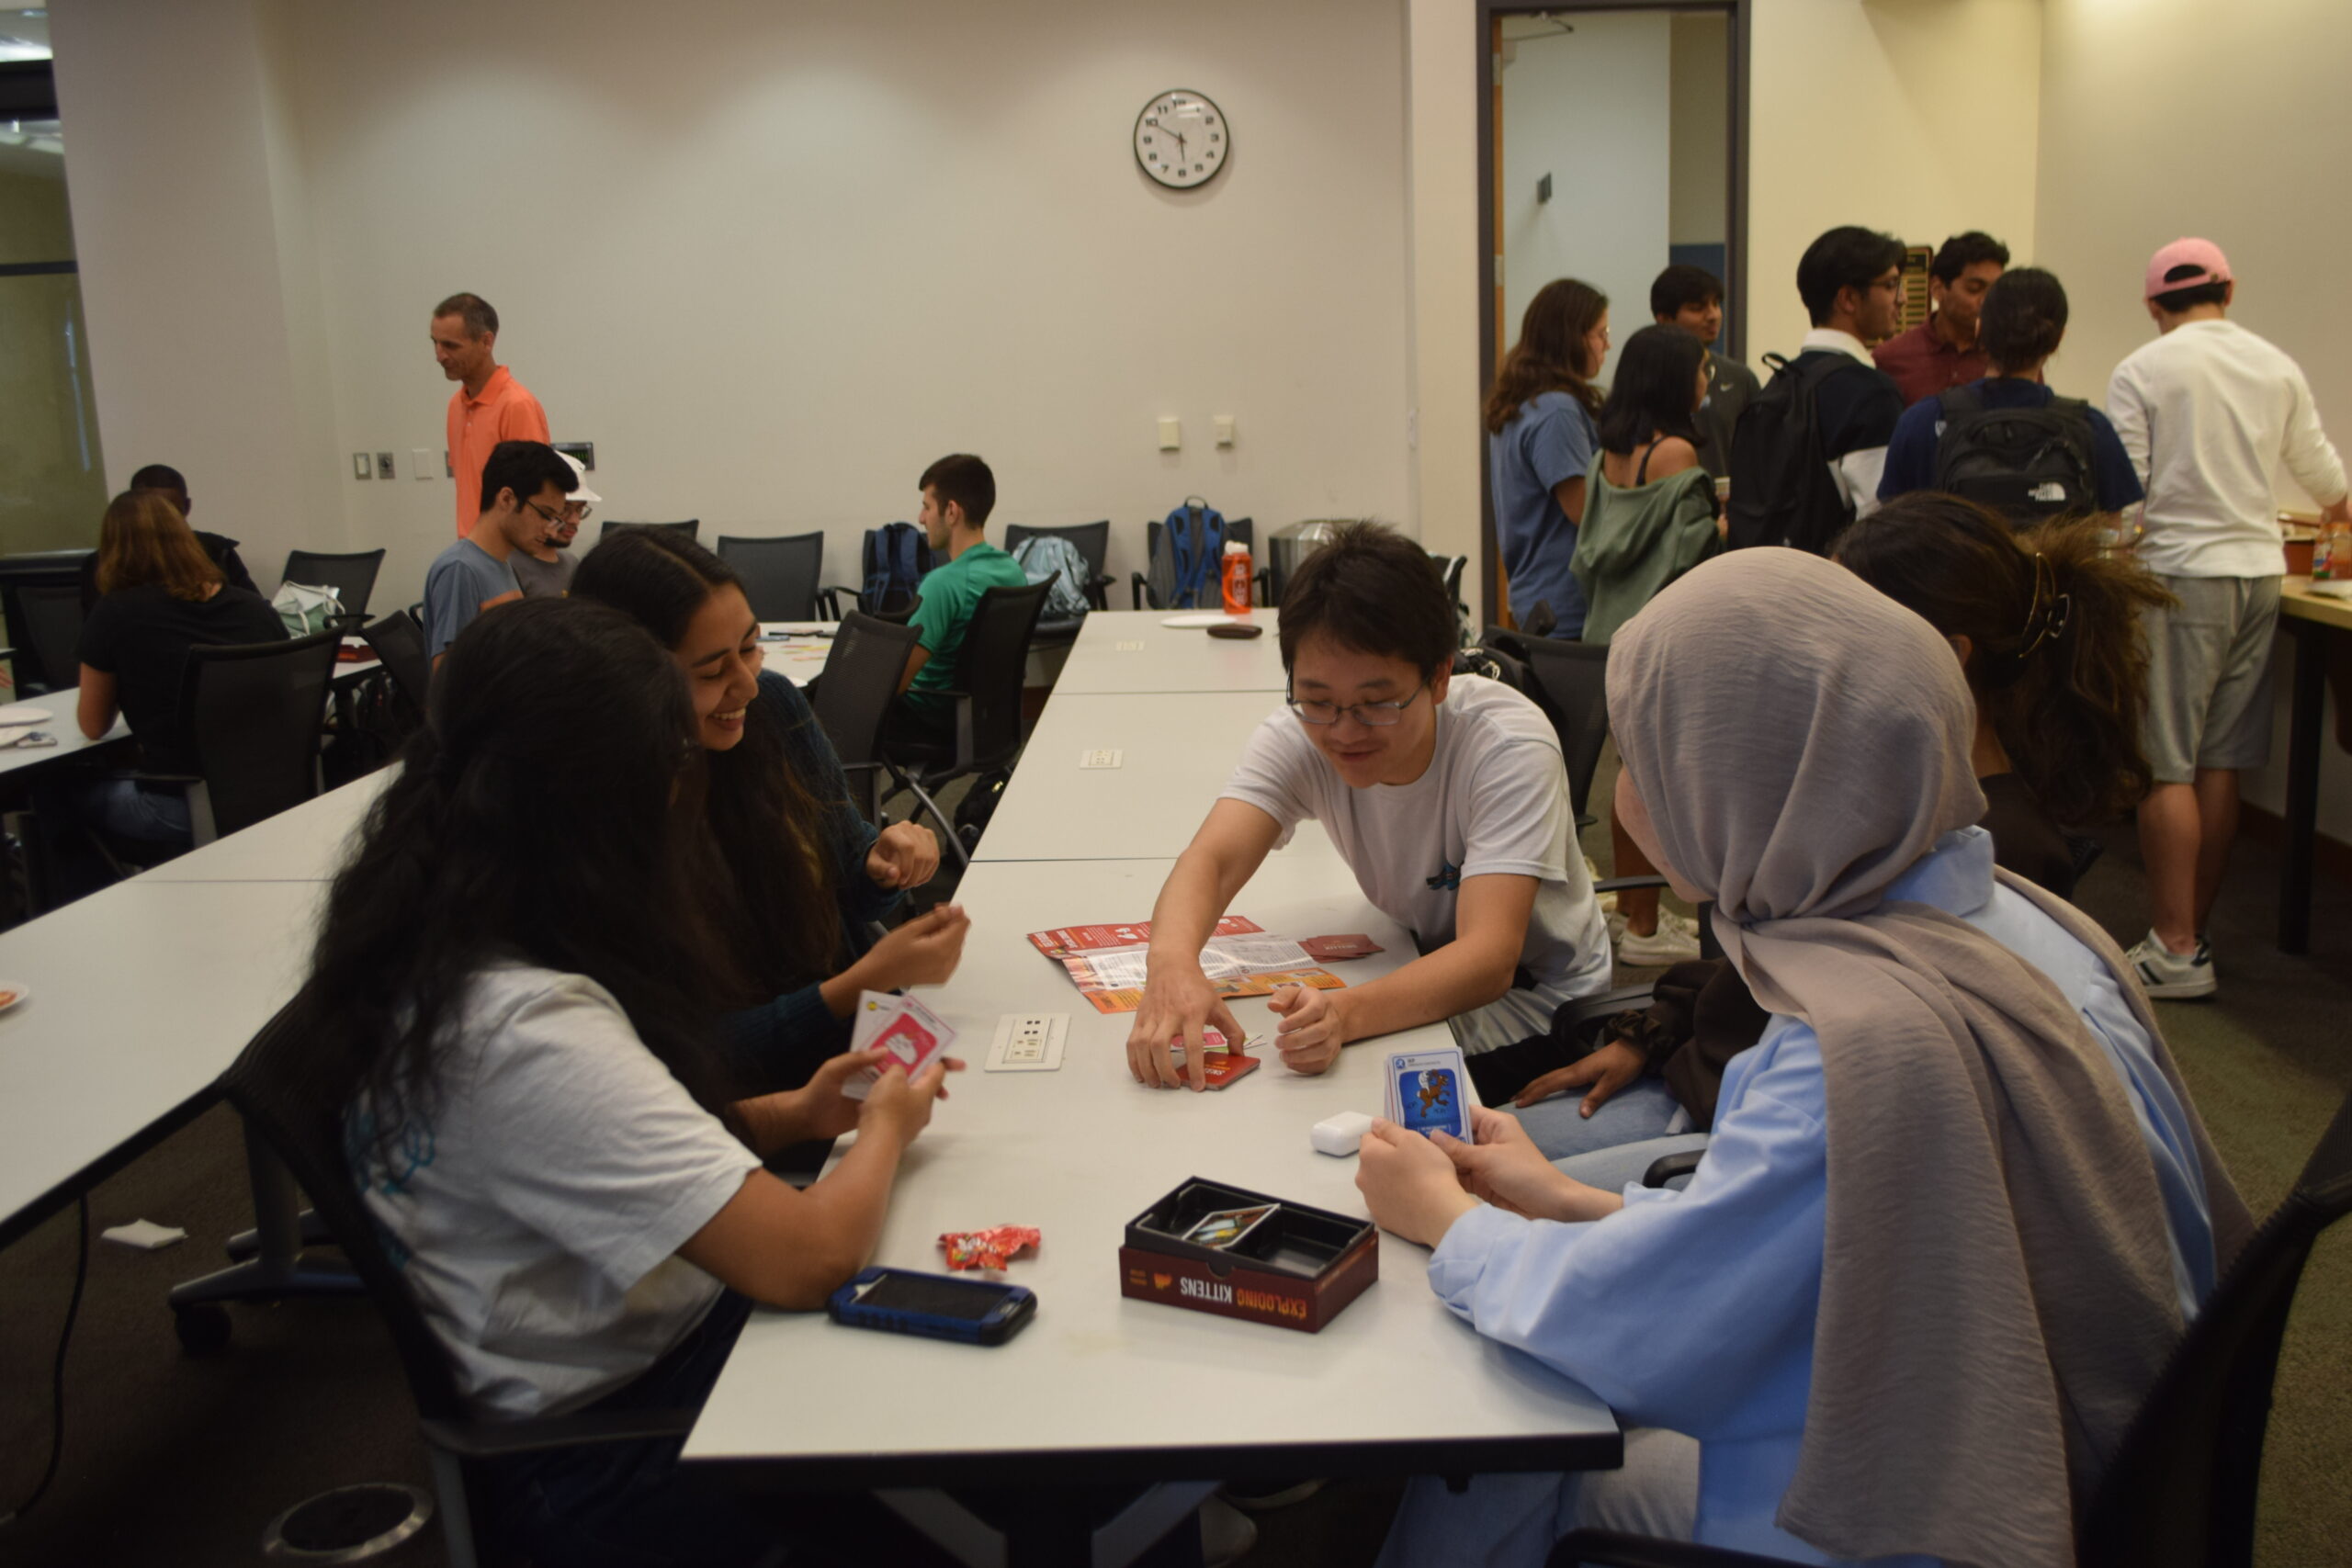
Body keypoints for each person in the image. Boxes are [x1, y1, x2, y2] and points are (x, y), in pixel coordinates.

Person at [1355, 547, 2250, 1568]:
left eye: (1646, 761)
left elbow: (1658, 1333)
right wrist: (1564, 1199)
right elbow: (1809, 1241)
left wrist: (1450, 1221)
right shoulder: (2012, 917)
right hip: (2062, 1432)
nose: (1629, 802)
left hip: (1961, 1501)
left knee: (1515, 1426)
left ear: (1743, 783)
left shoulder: (1855, 1048)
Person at [284, 596, 956, 1567]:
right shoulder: (518, 1030)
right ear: (601, 803)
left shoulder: (446, 932)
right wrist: (888, 1122)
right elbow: (806, 1256)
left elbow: (586, 1152)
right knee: (973, 1373)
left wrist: (787, 1115)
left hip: (644, 1352)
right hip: (624, 1450)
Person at [1503, 497, 2176, 1164]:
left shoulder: (1979, 852)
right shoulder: (1878, 812)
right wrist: (1655, 1030)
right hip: (1716, 1078)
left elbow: (1815, 1102)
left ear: (1939, 652)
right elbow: (1778, 957)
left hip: (1748, 1118)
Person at [1123, 522, 1611, 1091]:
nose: (1343, 731)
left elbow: (1488, 958)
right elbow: (1211, 859)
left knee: (1322, 1089)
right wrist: (1172, 964)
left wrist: (1344, 1014)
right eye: (1317, 700)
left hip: (1540, 1005)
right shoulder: (1300, 733)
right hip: (1414, 956)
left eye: (1375, 703)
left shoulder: (1505, 747)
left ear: (1439, 676)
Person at [571, 527, 964, 1094]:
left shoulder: (772, 706)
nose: (746, 685)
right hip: (746, 1112)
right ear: (627, 679)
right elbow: (669, 1058)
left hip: (859, 1061)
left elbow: (855, 876)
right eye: (711, 672)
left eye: (750, 647)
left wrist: (885, 862)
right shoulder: (597, 808)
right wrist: (857, 986)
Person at [2106, 238, 2352, 998]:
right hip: (2261, 572)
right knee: (2221, 758)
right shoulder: (2276, 365)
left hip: (2182, 574)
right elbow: (2330, 483)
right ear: (2229, 290)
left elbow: (2130, 497)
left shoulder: (2142, 370)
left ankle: (2174, 947)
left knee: (2166, 760)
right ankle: (2192, 935)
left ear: (2154, 306)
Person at [35, 488, 288, 897]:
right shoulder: (253, 608)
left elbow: (93, 725)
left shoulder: (116, 613)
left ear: (112, 550)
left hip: (182, 807)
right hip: (273, 793)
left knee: (51, 789)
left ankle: (81, 911)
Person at [1573, 322, 1721, 968]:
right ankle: (1644, 921)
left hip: (1608, 636)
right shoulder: (1678, 455)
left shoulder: (1609, 454)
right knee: (1660, 784)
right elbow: (1689, 555)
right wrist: (1722, 519)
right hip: (1664, 641)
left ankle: (1638, 913)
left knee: (1630, 777)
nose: (1707, 379)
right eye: (1702, 367)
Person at [1877, 266, 2143, 515]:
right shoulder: (2090, 428)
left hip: (1953, 566)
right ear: (2058, 340)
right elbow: (2112, 537)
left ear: (1980, 329)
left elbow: (1892, 527)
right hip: (2053, 567)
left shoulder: (1922, 422)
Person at [1725, 227, 1905, 552]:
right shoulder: (1869, 392)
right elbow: (1880, 528)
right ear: (1848, 299)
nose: (1902, 299)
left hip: (1763, 578)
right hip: (1827, 590)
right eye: (1891, 285)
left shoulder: (1781, 381)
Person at [1485, 278, 1609, 637]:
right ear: (1574, 337)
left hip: (1538, 597)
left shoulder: (1525, 402)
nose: (1607, 344)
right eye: (1601, 334)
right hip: (1567, 606)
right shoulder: (1557, 411)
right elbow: (1583, 510)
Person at [887, 453, 1028, 748]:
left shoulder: (944, 583)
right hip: (987, 722)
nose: (921, 518)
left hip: (930, 723)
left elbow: (894, 681)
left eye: (927, 507)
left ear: (951, 512)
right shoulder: (1011, 571)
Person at [422, 439, 572, 663]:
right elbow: (448, 678)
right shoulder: (461, 569)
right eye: (545, 514)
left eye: (556, 520)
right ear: (507, 499)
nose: (551, 531)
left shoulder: (502, 563)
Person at [434, 291, 550, 538]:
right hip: (471, 551)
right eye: (435, 343)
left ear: (486, 342)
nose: (440, 355)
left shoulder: (517, 405)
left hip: (509, 558)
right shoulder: (456, 405)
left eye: (451, 346)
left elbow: (534, 496)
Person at [74, 463, 257, 615]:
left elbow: (253, 613)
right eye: (152, 513)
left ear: (186, 507)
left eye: (168, 512)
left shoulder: (218, 552)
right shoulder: (103, 564)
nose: (161, 522)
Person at [1871, 231, 2007, 406]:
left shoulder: (2011, 357)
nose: (1987, 301)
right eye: (1974, 289)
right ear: (1937, 288)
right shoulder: (1890, 358)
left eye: (1996, 290)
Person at [1649, 264, 1756, 479]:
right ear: (1665, 319)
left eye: (1716, 304)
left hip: (1728, 508)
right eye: (1697, 308)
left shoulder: (1741, 379)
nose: (1713, 315)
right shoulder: (1644, 379)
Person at [512, 452, 600, 598]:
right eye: (565, 509)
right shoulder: (510, 566)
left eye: (580, 509)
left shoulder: (571, 563)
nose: (575, 520)